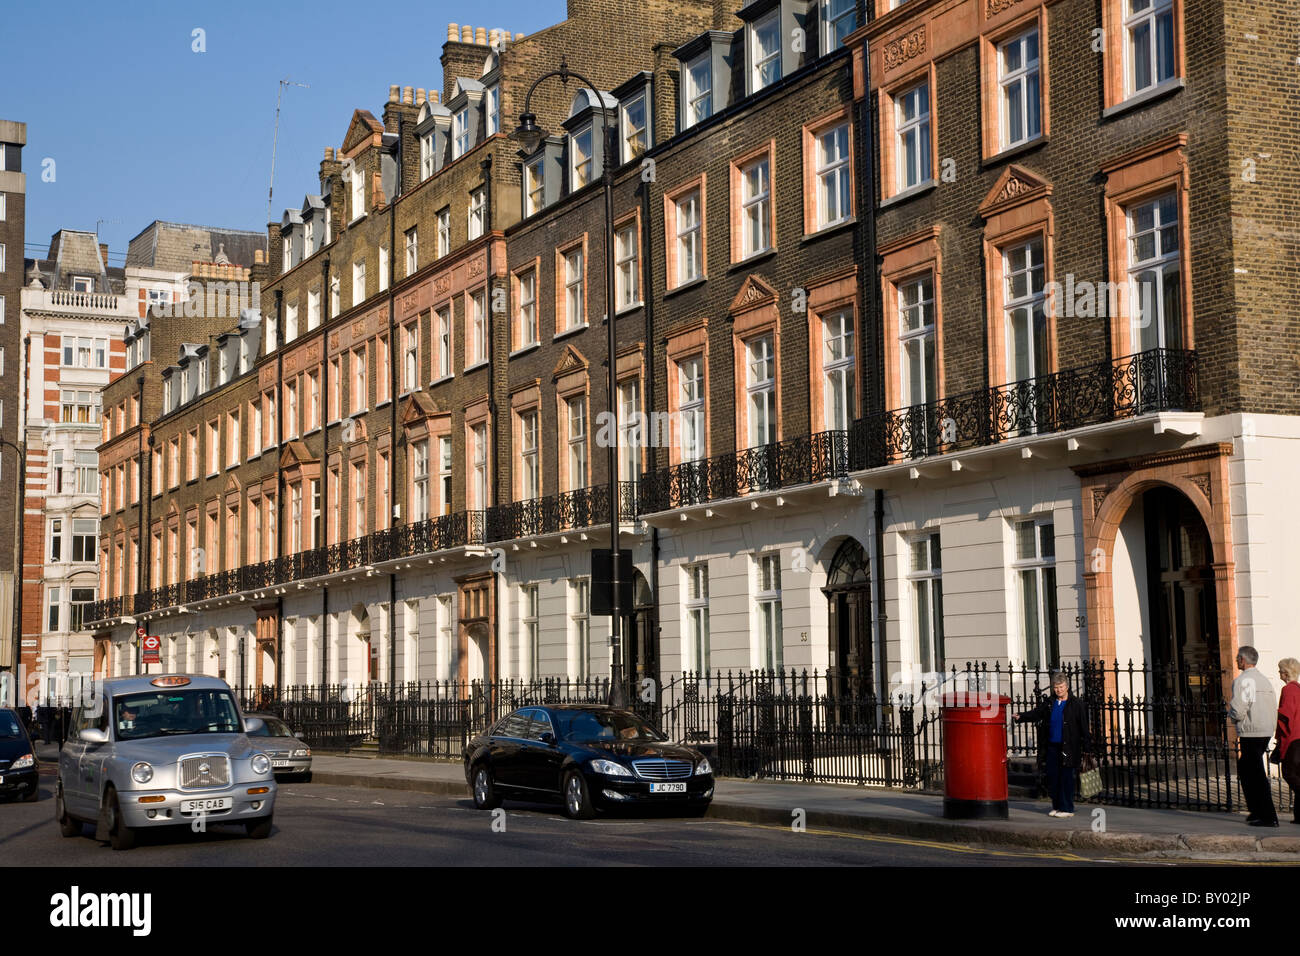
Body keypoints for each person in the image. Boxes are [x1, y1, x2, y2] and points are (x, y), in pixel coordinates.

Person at [1011, 672, 1092, 818]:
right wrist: (1021, 716)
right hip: (1052, 746)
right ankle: (1057, 806)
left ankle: (1067, 808)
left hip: (1068, 748)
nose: (1058, 690)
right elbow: (1037, 713)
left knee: (1066, 778)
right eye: (1056, 687)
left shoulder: (1076, 704)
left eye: (1061, 687)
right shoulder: (1050, 702)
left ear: (1067, 686)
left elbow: (1084, 728)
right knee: (1053, 777)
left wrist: (1087, 749)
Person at [1229, 645, 1278, 827]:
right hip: (1264, 729)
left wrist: (1233, 717)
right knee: (1246, 768)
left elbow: (1240, 706)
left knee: (1255, 773)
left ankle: (1267, 816)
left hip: (1252, 731)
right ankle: (1256, 810)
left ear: (1243, 660)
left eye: (1237, 658)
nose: (1236, 661)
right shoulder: (1264, 680)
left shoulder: (1246, 680)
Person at [1275, 657, 1300, 825]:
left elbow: (1286, 716)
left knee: (1290, 774)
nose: (1278, 673)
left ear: (1285, 673)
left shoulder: (1288, 690)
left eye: (1279, 670)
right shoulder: (1298, 689)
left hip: (1293, 739)